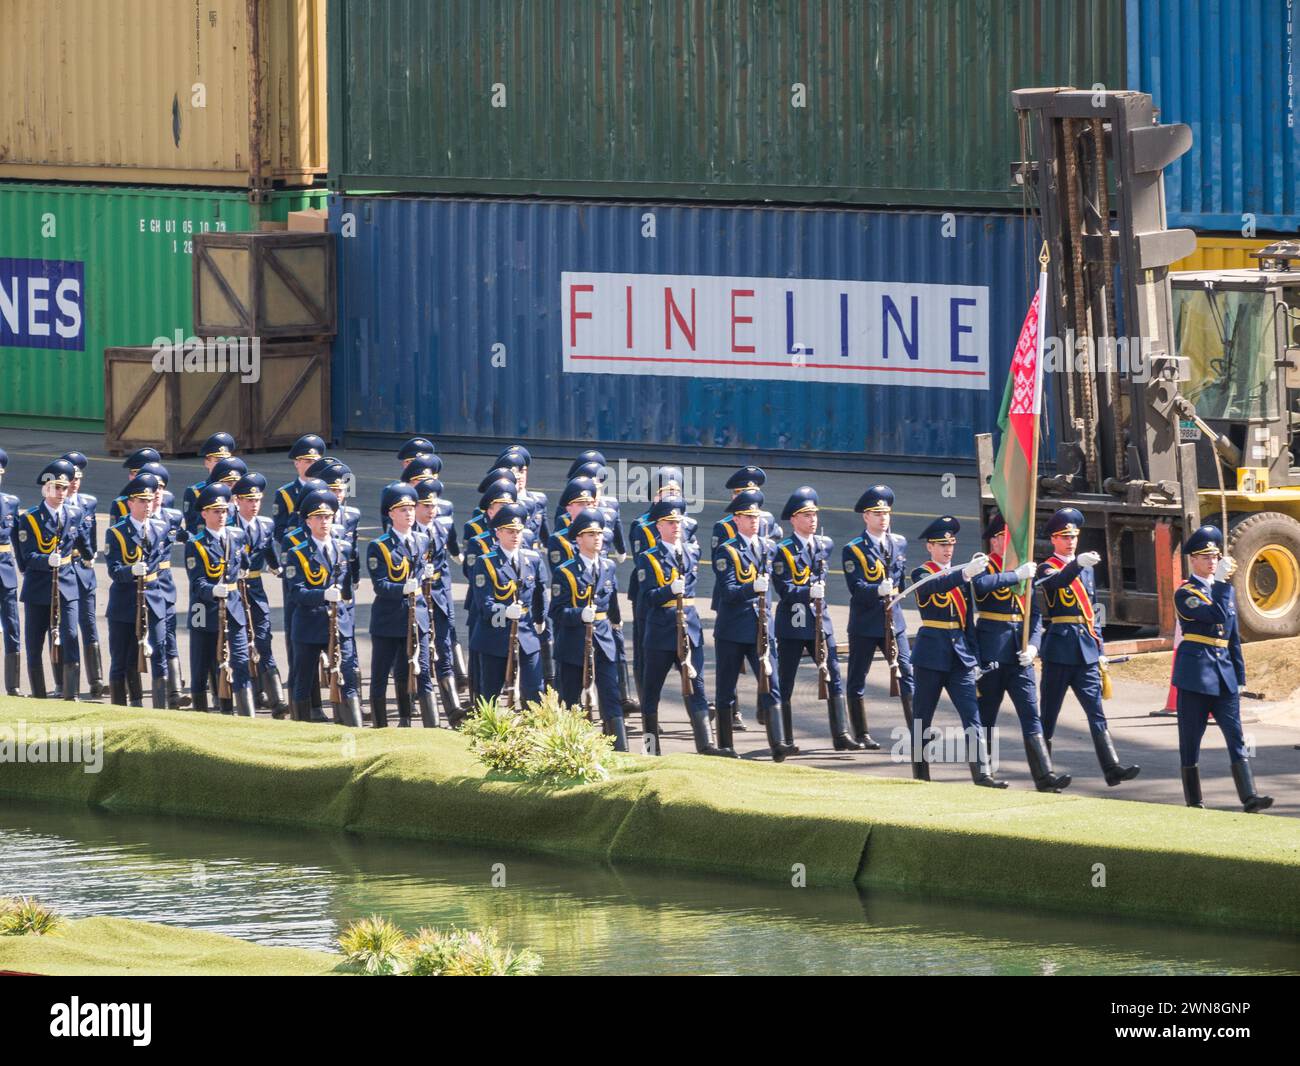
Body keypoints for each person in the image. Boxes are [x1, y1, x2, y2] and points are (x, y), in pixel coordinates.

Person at [1036, 507, 1140, 786]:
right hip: (1059, 649)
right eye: (1064, 537)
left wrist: (1101, 652)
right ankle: (1044, 774)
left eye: (1073, 536)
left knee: (1096, 712)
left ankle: (1112, 767)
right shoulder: (1047, 567)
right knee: (1048, 714)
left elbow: (1092, 613)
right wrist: (1076, 565)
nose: (1070, 542)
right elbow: (1056, 584)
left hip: (1086, 649)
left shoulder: (1086, 568)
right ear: (1054, 540)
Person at [1173, 525, 1273, 813]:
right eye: (1206, 557)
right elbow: (1213, 615)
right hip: (1195, 676)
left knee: (1236, 735)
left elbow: (1232, 638)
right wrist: (1218, 582)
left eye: (1215, 557)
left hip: (1224, 675)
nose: (1212, 562)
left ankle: (1250, 796)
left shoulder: (1223, 590)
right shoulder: (1186, 593)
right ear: (1193, 559)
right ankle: (1194, 800)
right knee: (1190, 739)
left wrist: (1240, 677)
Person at [972, 512, 1070, 791]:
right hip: (991, 651)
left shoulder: (1023, 570)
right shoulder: (984, 565)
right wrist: (1015, 575)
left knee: (1030, 714)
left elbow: (1035, 614)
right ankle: (984, 775)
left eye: (1012, 537)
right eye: (1004, 537)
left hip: (1020, 654)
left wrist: (1034, 645)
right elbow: (979, 589)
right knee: (986, 715)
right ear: (993, 541)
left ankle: (1045, 776)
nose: (1010, 543)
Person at [908, 516, 1005, 786]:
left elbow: (967, 621)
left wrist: (975, 658)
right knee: (922, 717)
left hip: (959, 654)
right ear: (930, 547)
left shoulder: (963, 575)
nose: (947, 549)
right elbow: (933, 587)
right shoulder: (922, 573)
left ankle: (983, 774)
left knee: (972, 715)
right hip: (930, 653)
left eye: (951, 544)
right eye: (941, 545)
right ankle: (920, 775)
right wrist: (963, 574)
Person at [636, 497, 727, 757]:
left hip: (689, 629)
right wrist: (668, 590)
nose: (676, 526)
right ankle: (651, 749)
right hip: (661, 631)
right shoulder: (648, 558)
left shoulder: (691, 551)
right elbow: (649, 597)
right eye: (669, 522)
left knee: (697, 687)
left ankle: (706, 745)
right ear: (658, 526)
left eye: (678, 521)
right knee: (652, 691)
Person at [772, 487, 862, 750]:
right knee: (785, 680)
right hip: (792, 625)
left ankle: (842, 734)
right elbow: (785, 590)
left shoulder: (825, 544)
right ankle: (785, 738)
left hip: (819, 623)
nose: (812, 520)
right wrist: (808, 591)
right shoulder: (782, 550)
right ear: (793, 519)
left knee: (833, 674)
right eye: (806, 515)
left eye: (814, 514)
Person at [712, 489, 790, 759]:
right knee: (726, 688)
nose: (754, 520)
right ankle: (725, 744)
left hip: (761, 629)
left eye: (756, 516)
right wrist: (751, 587)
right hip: (734, 629)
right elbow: (729, 592)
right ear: (736, 520)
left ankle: (778, 743)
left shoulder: (769, 547)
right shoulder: (727, 551)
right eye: (747, 516)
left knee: (771, 683)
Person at [549, 509, 628, 751]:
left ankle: (620, 748)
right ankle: (569, 749)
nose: (598, 538)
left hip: (603, 638)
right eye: (591, 534)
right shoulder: (565, 572)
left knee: (610, 694)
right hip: (574, 640)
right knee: (571, 697)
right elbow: (556, 612)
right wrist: (578, 615)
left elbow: (612, 600)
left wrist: (616, 626)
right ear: (579, 539)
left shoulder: (608, 566)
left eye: (599, 533)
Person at [285, 489, 362, 727]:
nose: (324, 522)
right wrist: (322, 595)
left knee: (347, 677)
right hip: (309, 624)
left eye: (328, 516)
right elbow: (295, 592)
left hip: (339, 625)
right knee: (304, 681)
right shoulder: (297, 553)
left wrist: (346, 613)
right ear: (308, 521)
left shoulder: (344, 549)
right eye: (318, 517)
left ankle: (352, 729)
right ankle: (303, 731)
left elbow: (348, 587)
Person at [15, 459, 91, 700]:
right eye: (56, 488)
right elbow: (27, 556)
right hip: (39, 587)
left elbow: (80, 540)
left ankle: (71, 693)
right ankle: (38, 695)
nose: (61, 493)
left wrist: (89, 554)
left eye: (64, 488)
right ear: (45, 489)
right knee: (35, 642)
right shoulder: (30, 518)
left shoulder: (74, 513)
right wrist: (46, 560)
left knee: (69, 635)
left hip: (67, 585)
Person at [842, 485, 911, 749]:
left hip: (895, 621)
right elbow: (855, 588)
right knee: (858, 677)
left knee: (907, 672)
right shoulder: (854, 549)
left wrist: (899, 591)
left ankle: (917, 728)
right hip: (866, 622)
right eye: (877, 513)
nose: (883, 518)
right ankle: (861, 734)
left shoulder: (898, 542)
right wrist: (876, 590)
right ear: (866, 517)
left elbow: (901, 576)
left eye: (886, 513)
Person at [367, 483, 439, 728]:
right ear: (391, 514)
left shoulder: (422, 540)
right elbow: (380, 586)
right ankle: (379, 725)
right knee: (380, 674)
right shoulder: (380, 546)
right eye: (402, 510)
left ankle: (423, 724)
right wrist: (402, 589)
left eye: (411, 508)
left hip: (416, 616)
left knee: (420, 671)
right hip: (389, 618)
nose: (409, 514)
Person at [185, 483, 255, 716]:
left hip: (233, 607)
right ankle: (201, 713)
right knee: (202, 663)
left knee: (239, 661)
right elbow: (196, 582)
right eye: (216, 511)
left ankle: (245, 714)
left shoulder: (236, 535)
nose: (221, 515)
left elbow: (243, 561)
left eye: (224, 511)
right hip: (203, 609)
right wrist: (214, 590)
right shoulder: (195, 544)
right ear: (204, 514)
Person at [469, 502, 547, 705]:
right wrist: (504, 611)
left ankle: (533, 733)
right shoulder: (485, 562)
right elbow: (484, 604)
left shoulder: (533, 559)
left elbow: (539, 593)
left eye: (518, 531)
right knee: (490, 694)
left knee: (535, 691)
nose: (515, 536)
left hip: (526, 634)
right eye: (509, 531)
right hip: (495, 634)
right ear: (498, 533)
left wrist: (540, 619)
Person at [104, 473, 171, 708]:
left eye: (150, 500)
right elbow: (113, 570)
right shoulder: (116, 532)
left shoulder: (161, 528)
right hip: (125, 600)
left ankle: (161, 708)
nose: (147, 505)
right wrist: (132, 570)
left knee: (160, 652)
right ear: (130, 503)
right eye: (141, 501)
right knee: (123, 658)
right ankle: (126, 707)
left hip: (153, 597)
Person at [230, 473, 289, 718]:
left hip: (255, 585)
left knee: (263, 636)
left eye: (257, 500)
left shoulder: (265, 524)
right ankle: (249, 696)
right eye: (248, 500)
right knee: (241, 641)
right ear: (237, 501)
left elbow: (268, 550)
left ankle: (277, 699)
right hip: (234, 587)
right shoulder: (229, 527)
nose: (254, 505)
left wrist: (279, 569)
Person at [61, 452, 104, 699]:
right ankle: (66, 683)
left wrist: (92, 554)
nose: (75, 482)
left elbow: (93, 532)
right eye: (71, 478)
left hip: (84, 567)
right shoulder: (59, 502)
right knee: (66, 628)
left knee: (88, 622)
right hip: (66, 567)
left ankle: (96, 678)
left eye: (78, 477)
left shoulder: (88, 502)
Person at [272, 434, 327, 544]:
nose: (312, 466)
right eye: (308, 461)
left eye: (315, 462)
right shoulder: (285, 494)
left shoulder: (327, 491)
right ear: (297, 463)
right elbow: (279, 531)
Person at [182, 432, 238, 531]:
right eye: (217, 461)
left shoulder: (238, 489)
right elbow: (194, 528)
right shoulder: (196, 492)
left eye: (225, 461)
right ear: (207, 463)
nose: (222, 465)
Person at [0, 448, 22, 695]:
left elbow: (17, 539)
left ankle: (13, 685)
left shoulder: (11, 502)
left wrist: (24, 567)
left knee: (12, 624)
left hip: (5, 568)